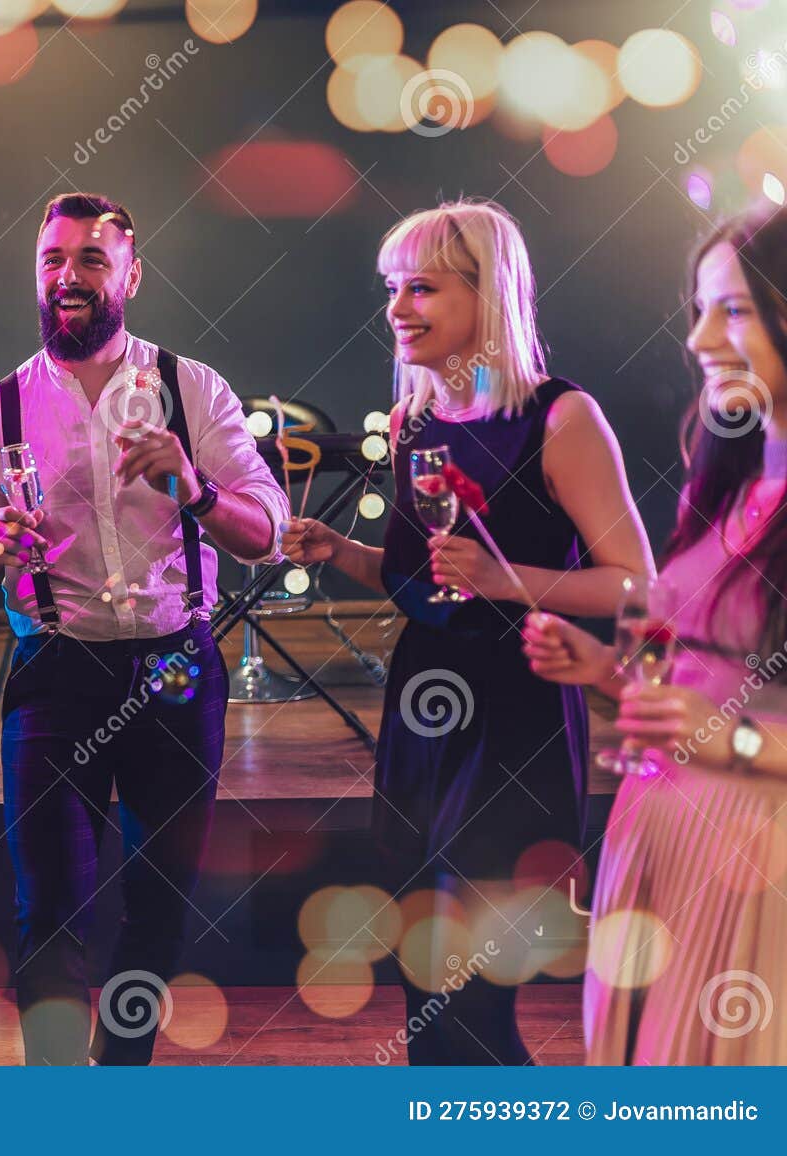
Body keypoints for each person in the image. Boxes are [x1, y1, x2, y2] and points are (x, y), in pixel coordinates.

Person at [282, 200, 653, 1064]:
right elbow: (422, 581)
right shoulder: (418, 423)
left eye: (422, 287)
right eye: (390, 289)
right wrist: (340, 550)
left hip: (515, 716)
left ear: (489, 297)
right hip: (423, 714)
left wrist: (510, 582)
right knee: (423, 993)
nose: (398, 308)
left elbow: (639, 585)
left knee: (473, 1002)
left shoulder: (561, 419)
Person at [0, 193, 287, 1065]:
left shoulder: (190, 389)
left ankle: (119, 1078)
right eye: (53, 259)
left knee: (161, 901)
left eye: (91, 258)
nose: (69, 276)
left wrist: (195, 490)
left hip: (178, 668)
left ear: (131, 273)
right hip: (57, 671)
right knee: (48, 909)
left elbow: (269, 529)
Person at [525, 203, 787, 1064]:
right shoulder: (728, 488)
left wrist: (730, 742)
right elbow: (683, 683)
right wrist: (603, 667)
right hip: (658, 835)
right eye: (700, 310)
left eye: (736, 309)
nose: (702, 337)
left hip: (756, 863)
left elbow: (729, 722)